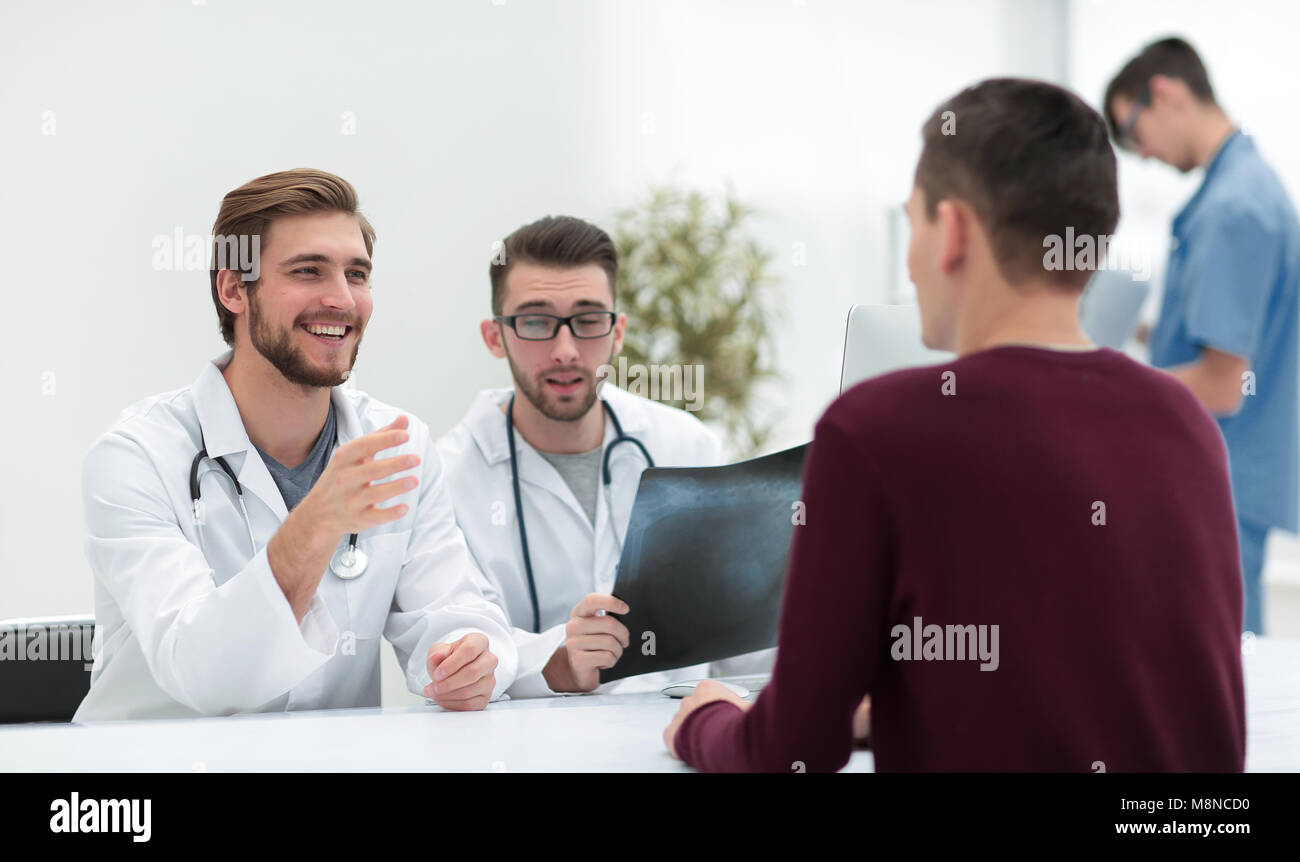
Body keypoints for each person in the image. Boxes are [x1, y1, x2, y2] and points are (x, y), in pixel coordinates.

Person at [663, 79, 1246, 772]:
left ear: (955, 232)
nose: (910, 261)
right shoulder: (1185, 423)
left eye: (915, 223)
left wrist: (706, 720)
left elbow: (788, 750)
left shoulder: (874, 431)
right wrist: (910, 703)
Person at [75, 169, 515, 721]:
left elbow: (452, 615)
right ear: (233, 289)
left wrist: (467, 661)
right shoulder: (135, 458)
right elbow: (201, 672)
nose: (342, 299)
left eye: (357, 274)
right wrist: (314, 525)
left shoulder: (396, 446)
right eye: (308, 271)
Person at [436, 215, 770, 696]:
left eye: (589, 321)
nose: (566, 350)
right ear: (495, 337)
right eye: (536, 322)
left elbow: (751, 639)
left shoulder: (688, 447)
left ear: (618, 332)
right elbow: (458, 644)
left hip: (680, 730)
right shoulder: (449, 477)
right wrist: (559, 661)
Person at [1105, 37, 1300, 634]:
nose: (1142, 154)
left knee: (1221, 656)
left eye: (1133, 132)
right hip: (1231, 477)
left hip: (1219, 480)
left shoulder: (1232, 210)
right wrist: (1134, 327)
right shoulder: (1244, 187)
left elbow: (1220, 384)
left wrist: (1102, 389)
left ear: (1165, 93)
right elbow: (1226, 338)